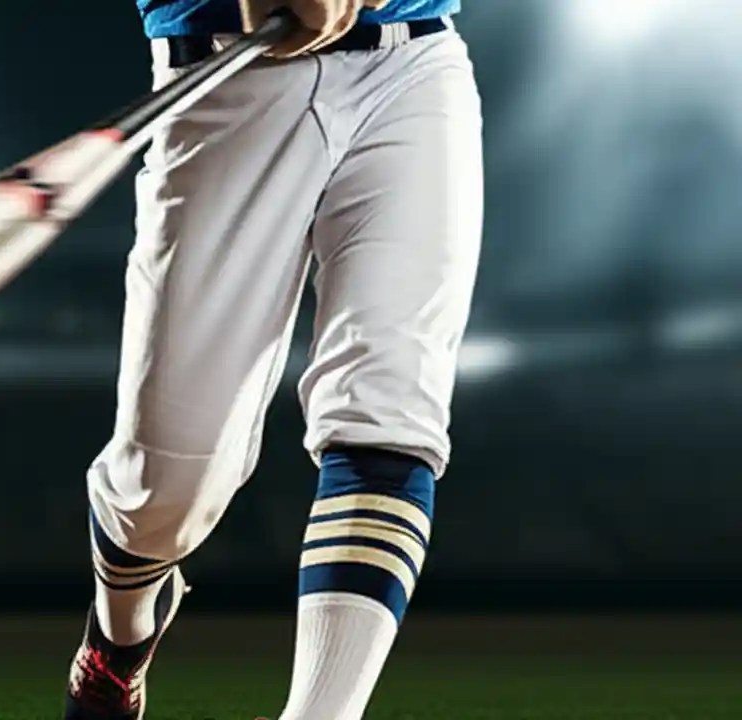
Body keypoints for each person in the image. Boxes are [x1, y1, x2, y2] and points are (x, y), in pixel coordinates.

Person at [63, 0, 481, 718]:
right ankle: (119, 634)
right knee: (168, 486)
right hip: (230, 71)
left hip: (413, 65)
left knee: (389, 410)